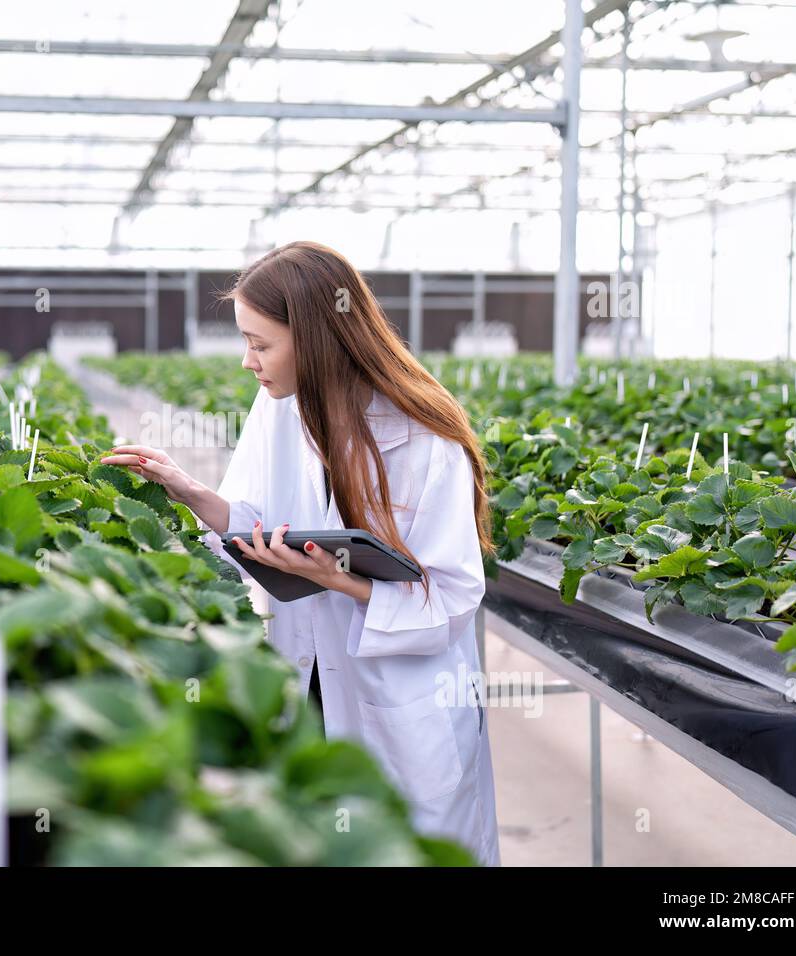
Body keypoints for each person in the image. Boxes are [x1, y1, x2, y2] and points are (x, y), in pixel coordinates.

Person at [100, 240, 500, 866]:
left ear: (314, 339)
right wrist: (191, 492)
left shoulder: (426, 441)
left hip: (399, 704)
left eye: (260, 344)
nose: (247, 362)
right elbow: (258, 522)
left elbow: (452, 599)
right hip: (309, 677)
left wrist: (341, 580)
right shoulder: (278, 409)